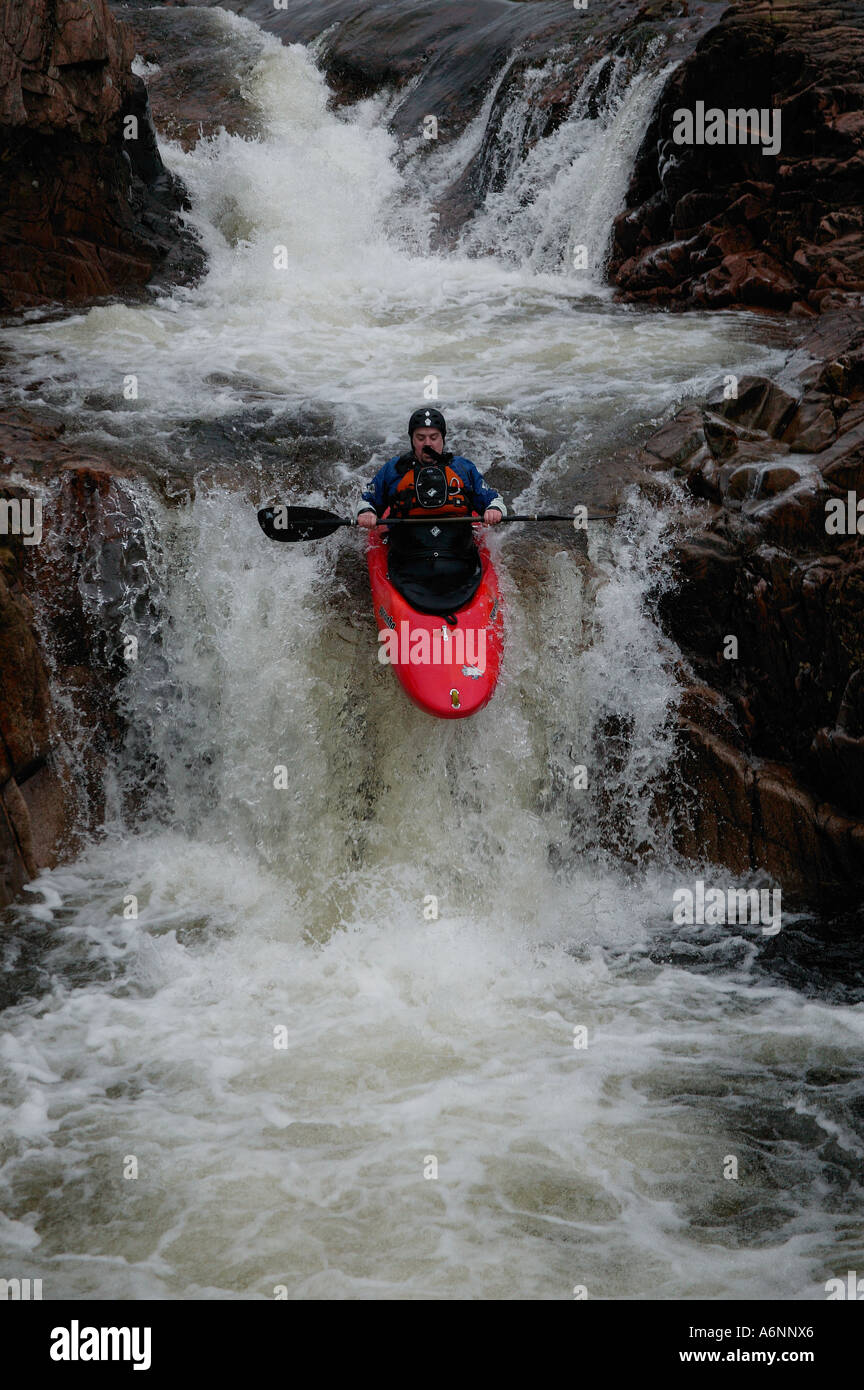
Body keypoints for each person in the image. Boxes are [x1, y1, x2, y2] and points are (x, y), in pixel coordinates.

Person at [356, 408, 505, 614]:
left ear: (442, 439)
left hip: (458, 556)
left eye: (434, 437)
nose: (428, 444)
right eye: (420, 437)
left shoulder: (462, 468)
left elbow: (493, 498)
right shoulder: (394, 470)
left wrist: (493, 509)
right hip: (408, 558)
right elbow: (367, 499)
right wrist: (367, 513)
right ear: (412, 440)